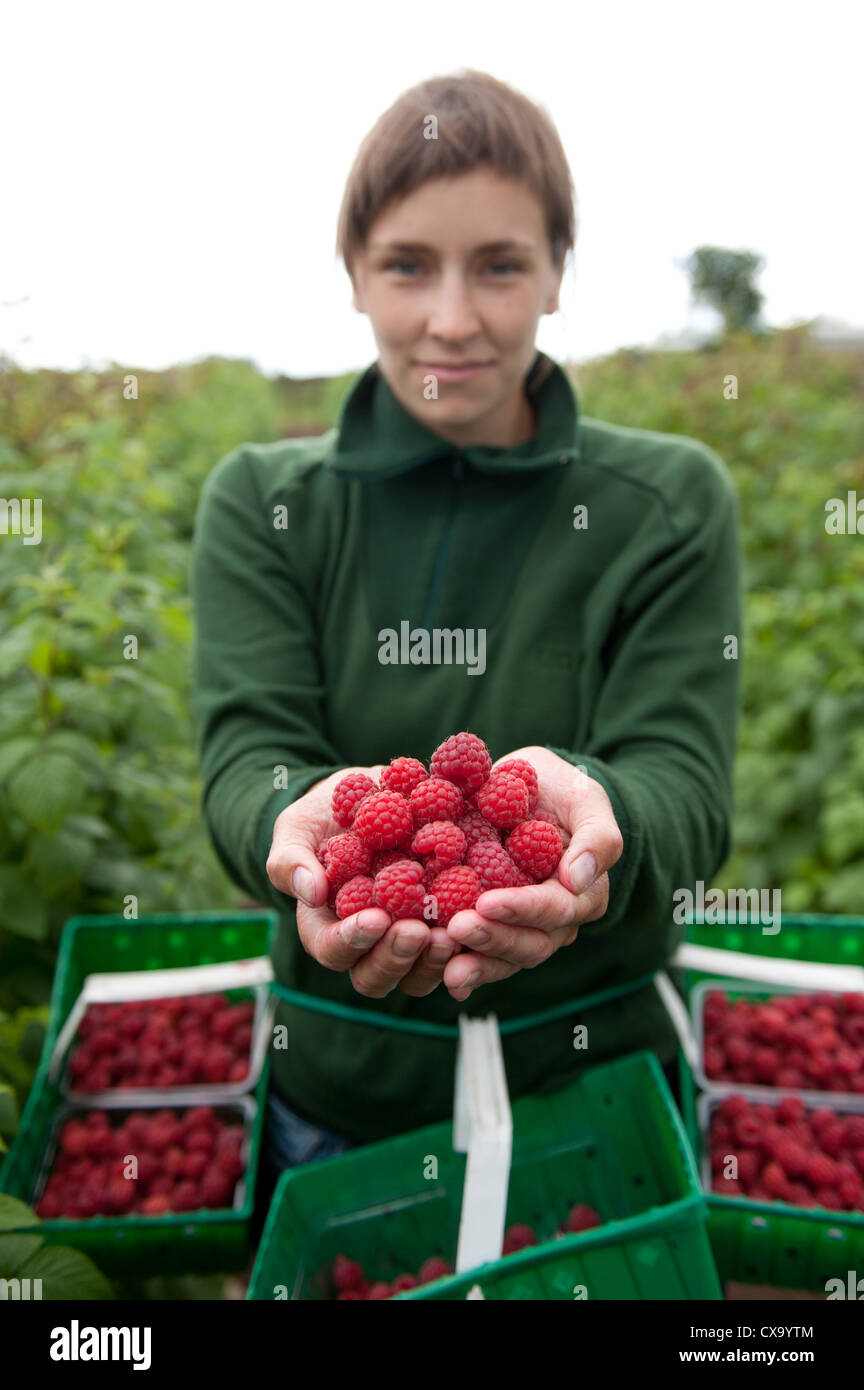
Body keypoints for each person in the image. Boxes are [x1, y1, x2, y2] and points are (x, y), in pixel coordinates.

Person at [190, 69, 741, 1178]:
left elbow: (684, 789)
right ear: (353, 275)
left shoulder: (670, 501)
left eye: (499, 265)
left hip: (595, 1096)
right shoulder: (264, 502)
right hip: (344, 1100)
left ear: (554, 275)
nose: (453, 320)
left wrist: (601, 823)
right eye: (407, 265)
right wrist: (293, 829)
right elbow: (247, 759)